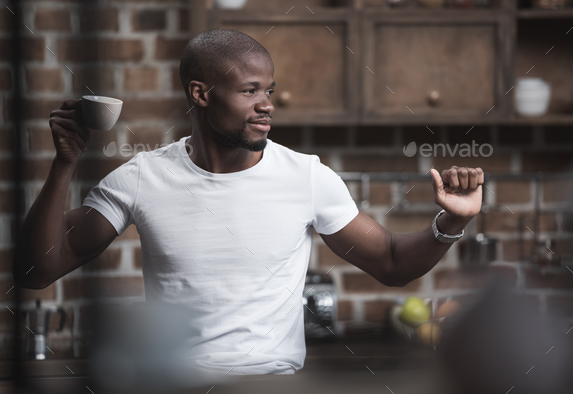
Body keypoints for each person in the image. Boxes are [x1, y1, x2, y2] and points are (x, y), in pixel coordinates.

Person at [13, 29, 484, 375]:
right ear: (201, 94)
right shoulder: (142, 177)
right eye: (250, 91)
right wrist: (65, 164)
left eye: (269, 91)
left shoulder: (306, 176)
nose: (267, 105)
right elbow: (37, 270)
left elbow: (392, 263)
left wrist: (451, 222)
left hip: (271, 384)